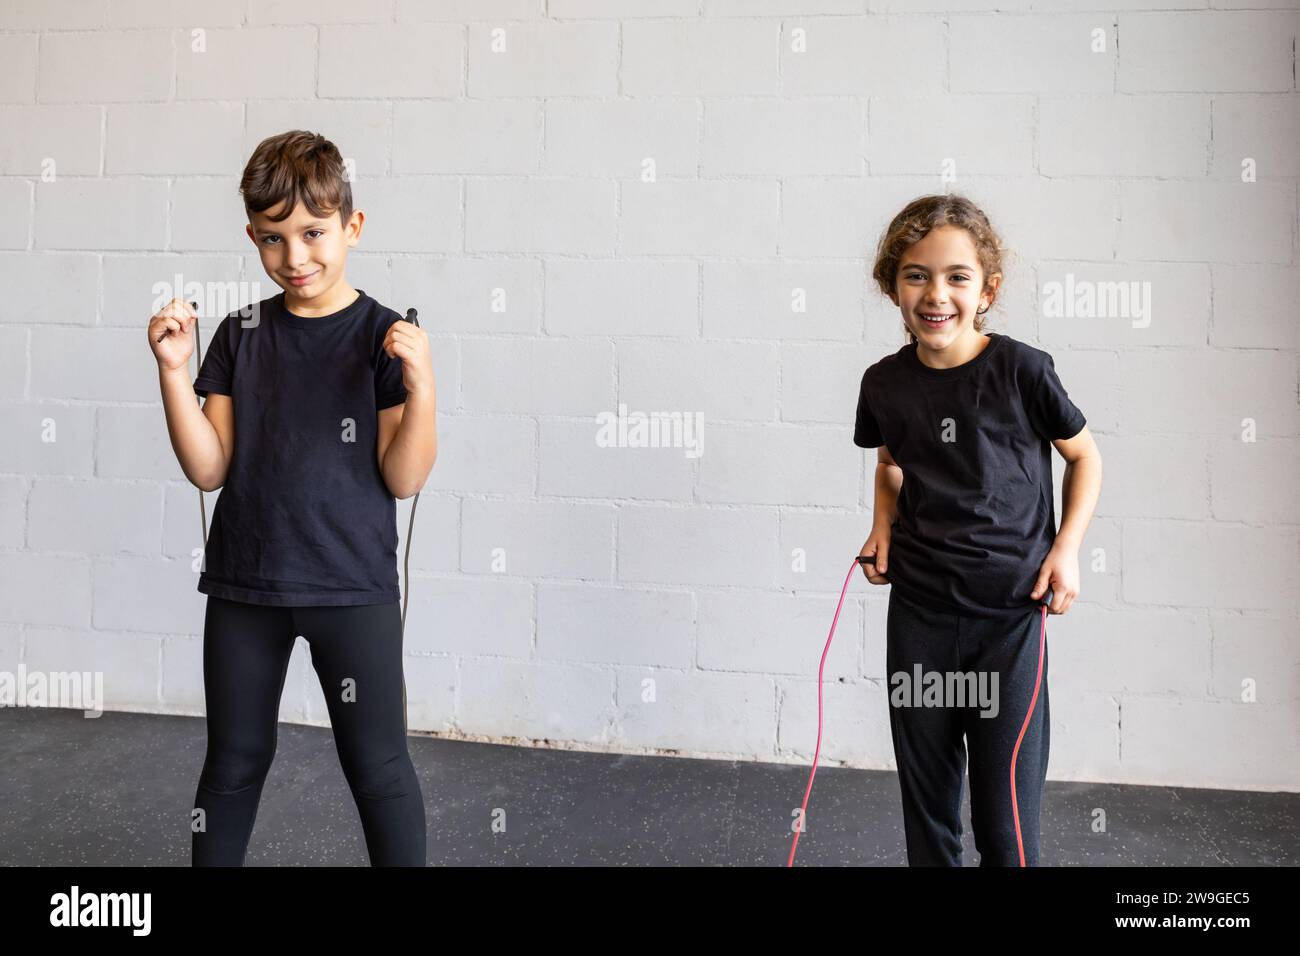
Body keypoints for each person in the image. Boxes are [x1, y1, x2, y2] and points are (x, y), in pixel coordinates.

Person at [148, 130, 437, 866]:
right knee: (233, 764)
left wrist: (423, 390)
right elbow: (208, 468)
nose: (295, 257)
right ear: (253, 237)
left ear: (352, 226)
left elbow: (403, 478)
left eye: (313, 233)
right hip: (247, 587)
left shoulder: (382, 337)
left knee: (378, 771)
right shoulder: (241, 336)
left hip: (352, 590)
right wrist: (174, 374)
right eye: (273, 240)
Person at [854, 193, 1102, 866]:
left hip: (1008, 620)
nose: (936, 293)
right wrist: (881, 527)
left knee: (1005, 822)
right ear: (892, 287)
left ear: (987, 288)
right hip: (920, 616)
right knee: (930, 812)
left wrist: (1068, 551)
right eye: (916, 275)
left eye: (957, 276)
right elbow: (891, 464)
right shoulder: (883, 384)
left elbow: (1085, 457)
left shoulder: (1023, 371)